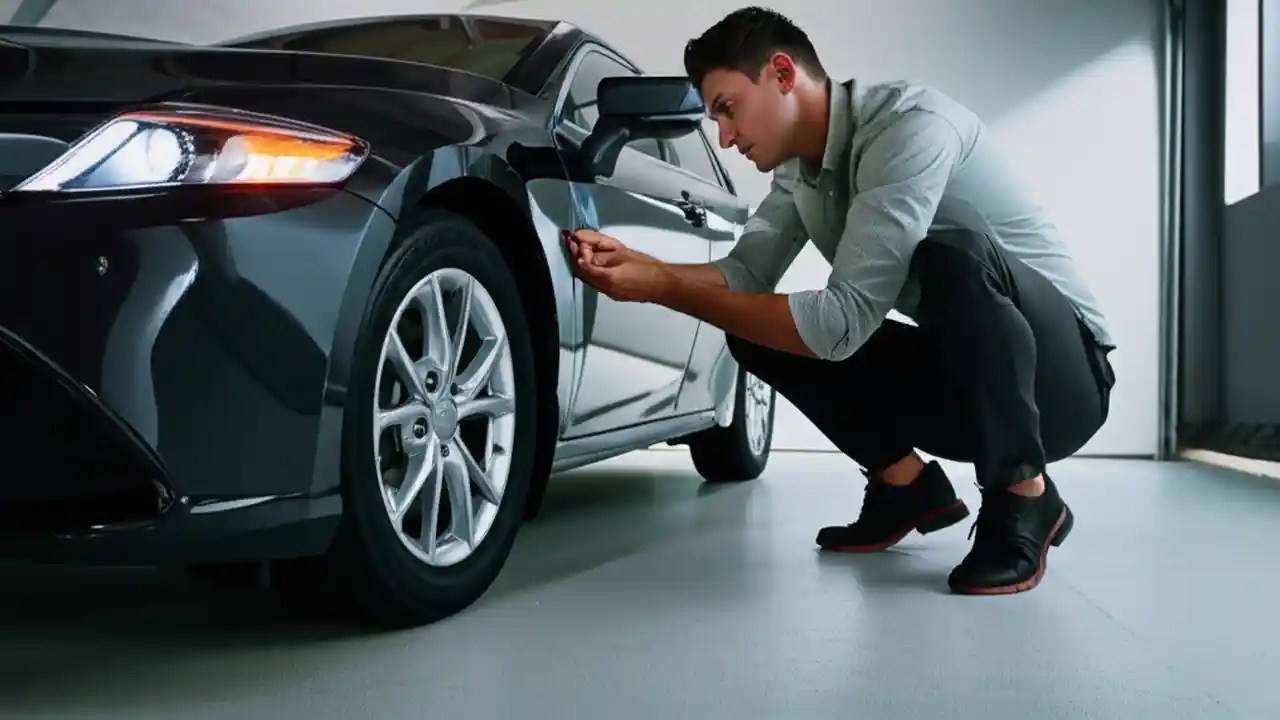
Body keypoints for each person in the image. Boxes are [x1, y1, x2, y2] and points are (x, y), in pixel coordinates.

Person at [565, 6, 1116, 595]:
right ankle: (904, 488)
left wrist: (664, 289)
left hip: (1063, 382)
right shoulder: (798, 170)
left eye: (727, 109)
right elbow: (745, 275)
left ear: (781, 73)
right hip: (969, 386)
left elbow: (842, 323)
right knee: (751, 327)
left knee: (952, 256)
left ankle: (1024, 495)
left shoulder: (910, 127)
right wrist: (647, 269)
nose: (723, 139)